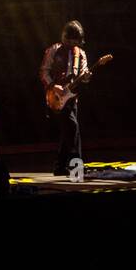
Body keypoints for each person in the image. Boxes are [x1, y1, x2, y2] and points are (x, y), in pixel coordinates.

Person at [39, 21, 88, 177]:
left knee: (69, 131)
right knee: (73, 129)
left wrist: (86, 77)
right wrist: (54, 86)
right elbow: (43, 72)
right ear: (65, 37)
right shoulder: (53, 50)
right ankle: (77, 169)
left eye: (76, 40)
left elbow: (83, 73)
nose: (73, 43)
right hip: (56, 97)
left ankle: (59, 167)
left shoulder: (80, 53)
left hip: (72, 97)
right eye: (71, 39)